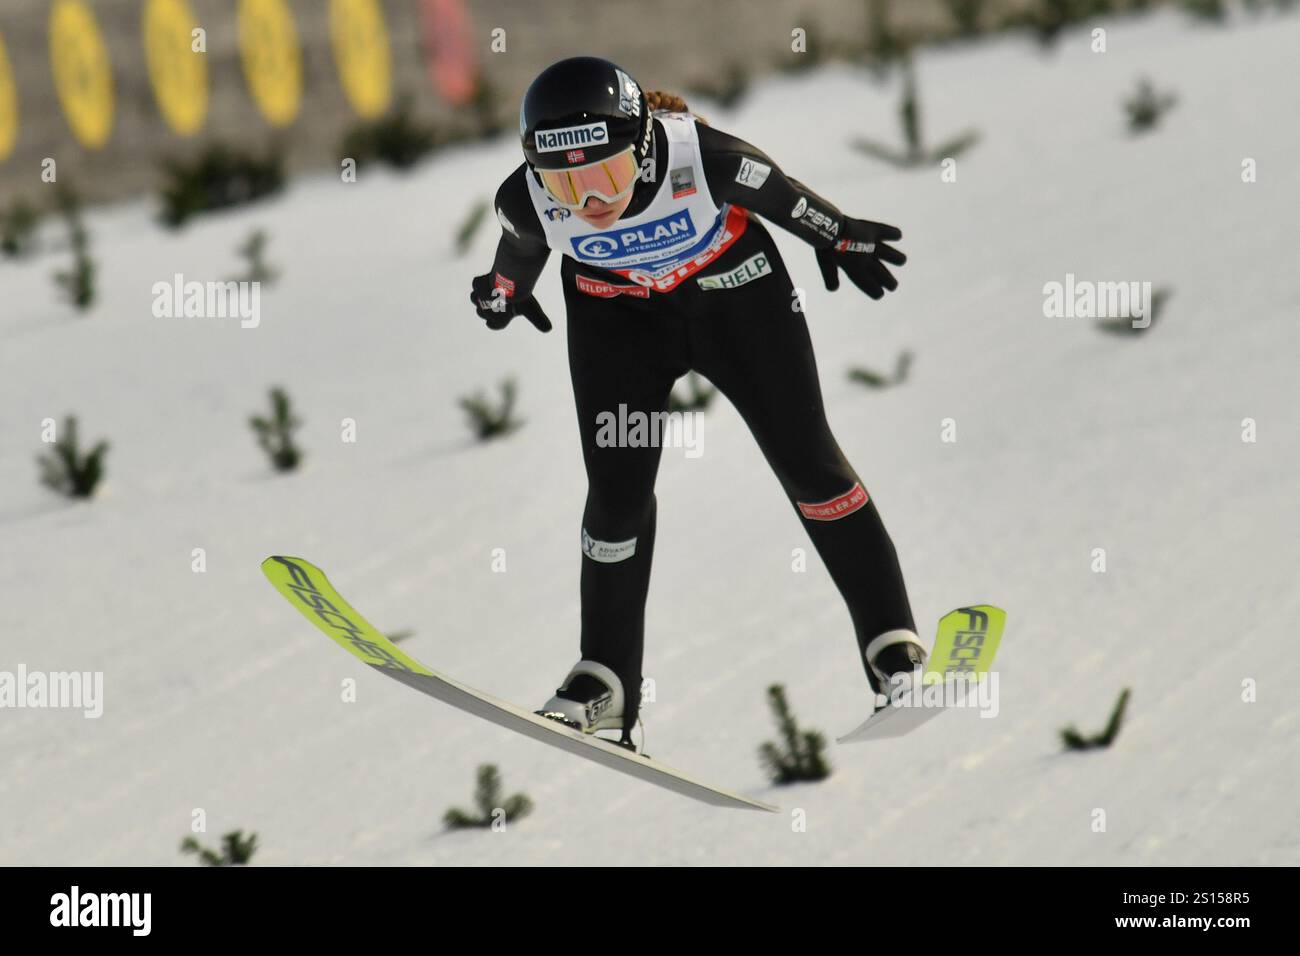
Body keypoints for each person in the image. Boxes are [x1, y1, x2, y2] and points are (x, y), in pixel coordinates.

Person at [470, 56, 925, 750]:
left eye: (607, 172)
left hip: (735, 301)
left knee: (809, 464)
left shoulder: (707, 160)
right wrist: (504, 292)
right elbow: (522, 248)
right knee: (617, 498)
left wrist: (840, 236)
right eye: (566, 179)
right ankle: (606, 681)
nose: (591, 199)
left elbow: (788, 200)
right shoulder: (525, 199)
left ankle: (892, 647)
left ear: (645, 145)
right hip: (619, 324)